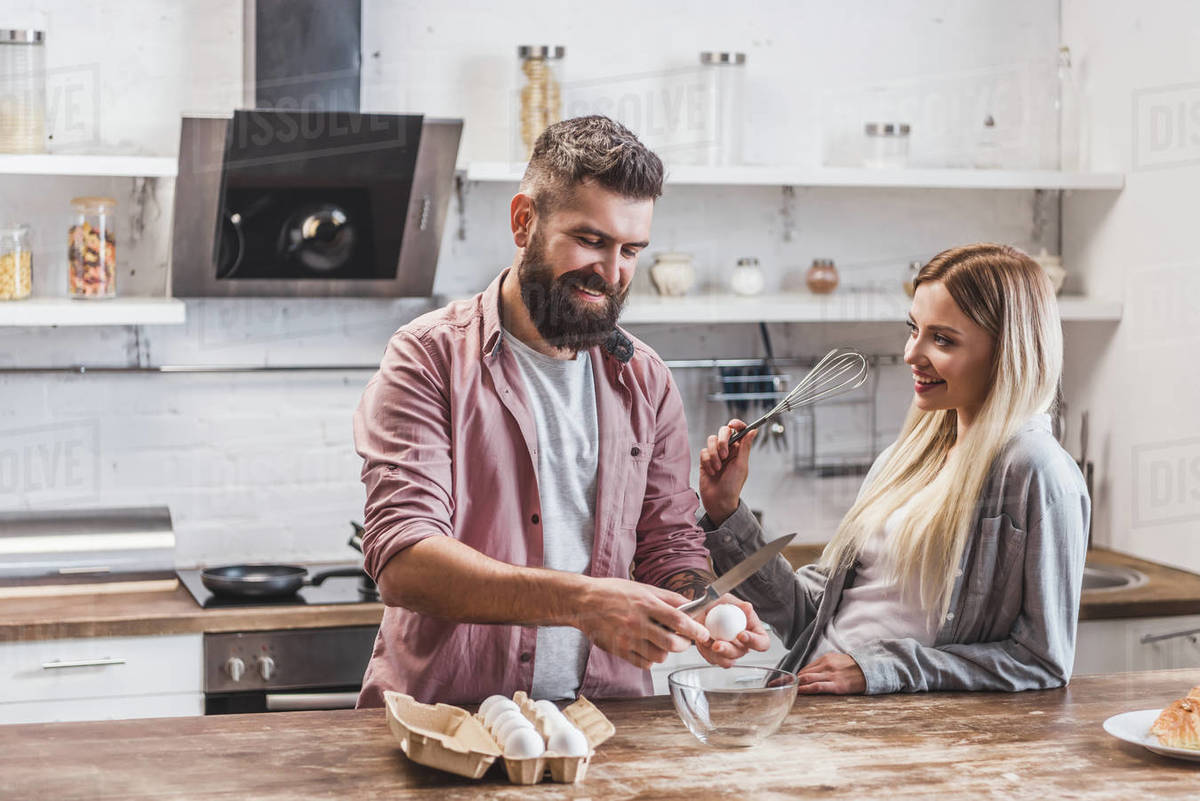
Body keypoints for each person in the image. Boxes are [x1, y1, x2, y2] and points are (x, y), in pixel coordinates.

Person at [353, 115, 768, 707]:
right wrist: (585, 602)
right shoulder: (428, 358)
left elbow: (668, 544)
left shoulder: (644, 379)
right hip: (449, 724)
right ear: (525, 221)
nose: (612, 272)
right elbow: (405, 560)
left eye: (631, 250)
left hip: (609, 724)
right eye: (591, 241)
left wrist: (704, 602)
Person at [698, 243, 1090, 695]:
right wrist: (727, 510)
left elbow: (1041, 662)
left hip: (898, 724)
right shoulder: (904, 459)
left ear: (1007, 351)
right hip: (812, 703)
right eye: (914, 329)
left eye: (942, 339)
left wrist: (880, 669)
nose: (911, 353)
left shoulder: (1036, 472)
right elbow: (809, 616)